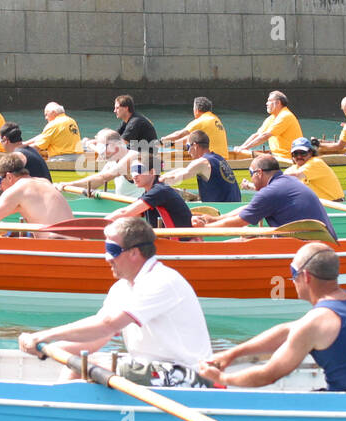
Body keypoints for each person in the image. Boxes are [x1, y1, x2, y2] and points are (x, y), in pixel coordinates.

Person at [18, 217, 212, 375]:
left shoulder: (161, 281)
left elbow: (108, 325)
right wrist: (44, 348)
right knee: (80, 365)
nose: (107, 258)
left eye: (112, 251)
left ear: (134, 253)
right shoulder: (122, 288)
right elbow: (96, 339)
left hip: (190, 374)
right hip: (152, 368)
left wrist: (44, 335)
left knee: (81, 369)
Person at [200, 243, 346, 391]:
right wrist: (232, 354)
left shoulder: (315, 322)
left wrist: (223, 378)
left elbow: (268, 375)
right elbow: (287, 331)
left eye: (292, 272)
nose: (291, 279)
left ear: (306, 277)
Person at [193, 154, 337, 241]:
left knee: (239, 241)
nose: (251, 178)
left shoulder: (271, 191)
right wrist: (216, 219)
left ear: (259, 173)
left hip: (312, 248)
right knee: (248, 238)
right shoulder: (286, 182)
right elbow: (249, 208)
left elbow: (239, 222)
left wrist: (203, 228)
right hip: (320, 240)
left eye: (251, 174)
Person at [0, 153, 74, 236]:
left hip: (56, 246)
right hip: (74, 243)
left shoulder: (18, 189)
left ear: (9, 176)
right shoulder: (43, 182)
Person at [106, 161, 193, 230]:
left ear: (152, 172)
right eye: (132, 171)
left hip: (176, 244)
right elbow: (132, 214)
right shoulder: (150, 192)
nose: (134, 176)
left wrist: (101, 224)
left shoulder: (159, 191)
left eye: (139, 170)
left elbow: (124, 212)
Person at [56, 129, 141, 198]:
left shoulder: (133, 156)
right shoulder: (111, 162)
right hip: (125, 208)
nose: (101, 152)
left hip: (142, 212)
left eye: (103, 147)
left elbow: (102, 178)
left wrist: (68, 184)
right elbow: (95, 183)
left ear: (115, 145)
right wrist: (66, 187)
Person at [159, 131, 240, 203]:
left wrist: (157, 182)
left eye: (187, 147)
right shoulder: (218, 158)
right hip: (235, 206)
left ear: (195, 145)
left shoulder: (202, 162)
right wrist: (161, 177)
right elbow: (184, 170)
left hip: (221, 210)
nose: (188, 151)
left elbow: (176, 178)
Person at [234, 91, 302, 159]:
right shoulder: (271, 118)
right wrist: (242, 147)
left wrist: (246, 147)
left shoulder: (285, 116)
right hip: (276, 156)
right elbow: (257, 135)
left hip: (288, 158)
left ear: (278, 103)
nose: (266, 103)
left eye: (269, 101)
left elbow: (265, 136)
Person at [161, 96, 229, 160]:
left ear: (196, 110)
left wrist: (162, 140)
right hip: (224, 159)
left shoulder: (202, 120)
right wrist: (169, 144)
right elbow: (188, 138)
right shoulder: (216, 119)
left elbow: (179, 134)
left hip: (212, 159)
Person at [285, 137, 344, 202]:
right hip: (315, 205)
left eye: (303, 153)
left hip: (335, 204)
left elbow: (295, 175)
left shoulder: (316, 162)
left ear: (311, 153)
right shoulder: (292, 169)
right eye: (295, 154)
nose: (299, 156)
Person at [113, 94, 159, 172]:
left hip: (146, 157)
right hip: (136, 152)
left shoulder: (135, 121)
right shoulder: (127, 120)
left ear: (126, 108)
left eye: (117, 108)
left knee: (113, 153)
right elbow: (113, 136)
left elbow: (122, 142)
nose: (114, 111)